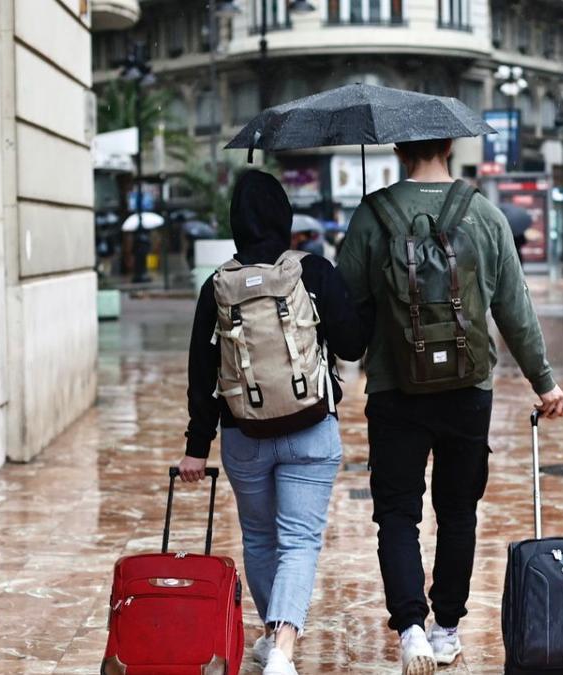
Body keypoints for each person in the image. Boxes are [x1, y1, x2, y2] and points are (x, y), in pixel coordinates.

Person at [337, 138, 563, 674]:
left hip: (395, 389)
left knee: (397, 512)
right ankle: (446, 630)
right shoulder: (485, 214)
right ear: (448, 145)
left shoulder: (373, 214)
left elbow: (345, 307)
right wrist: (545, 382)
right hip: (469, 390)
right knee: (458, 510)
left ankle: (411, 629)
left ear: (397, 148)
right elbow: (514, 307)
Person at [178, 170, 366, 675]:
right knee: (300, 541)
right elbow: (353, 346)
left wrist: (198, 446)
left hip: (245, 436)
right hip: (310, 429)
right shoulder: (314, 272)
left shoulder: (217, 286)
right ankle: (283, 646)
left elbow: (202, 373)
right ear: (285, 217)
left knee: (260, 539)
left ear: (235, 222)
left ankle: (270, 636)